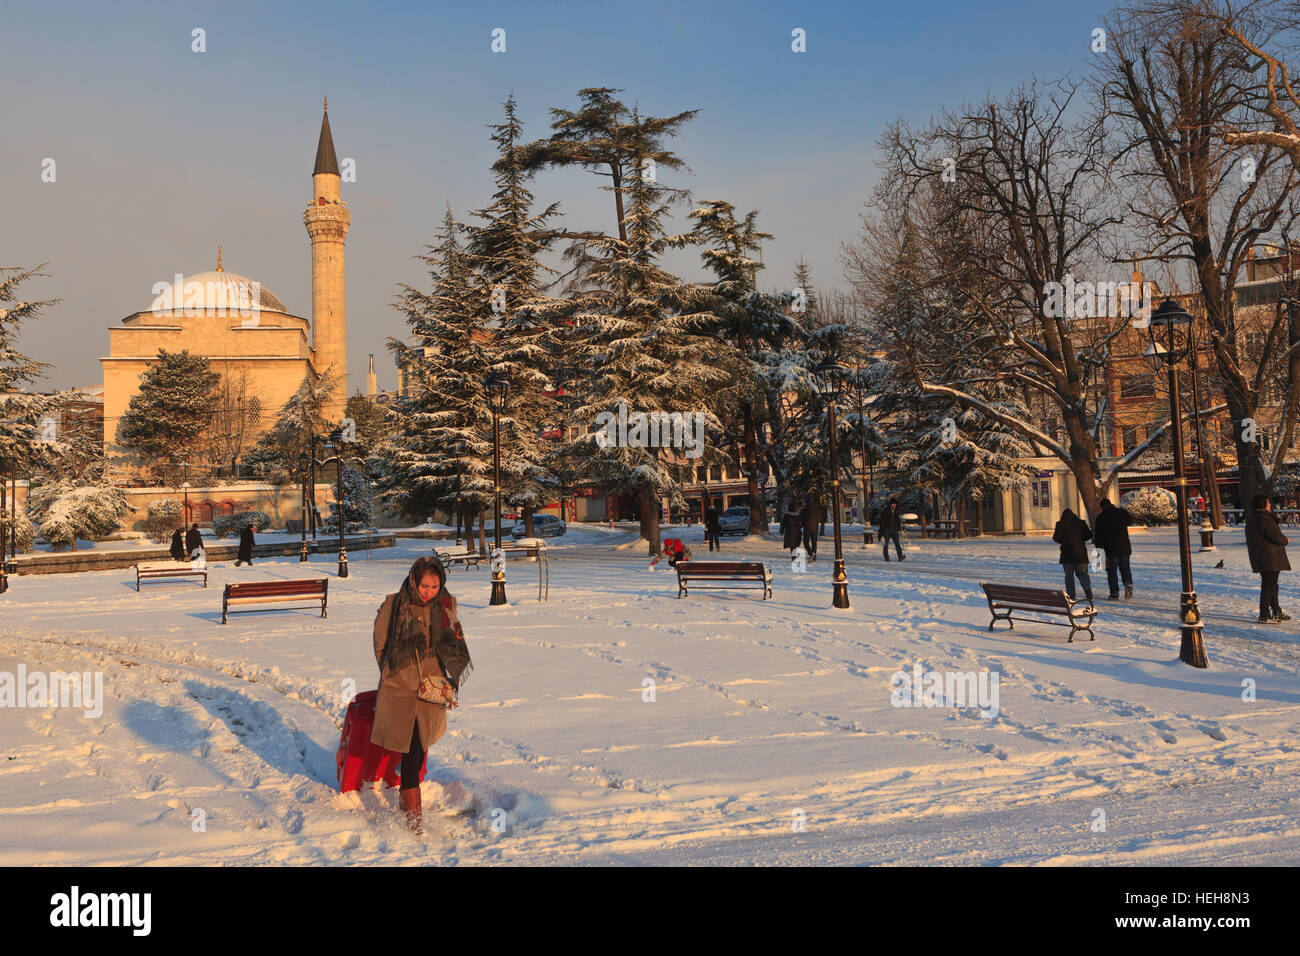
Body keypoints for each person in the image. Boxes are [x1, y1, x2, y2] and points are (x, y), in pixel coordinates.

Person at [372, 556, 472, 832]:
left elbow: (455, 639)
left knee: (418, 747)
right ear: (414, 580)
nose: (428, 591)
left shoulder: (446, 605)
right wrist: (392, 672)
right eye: (424, 585)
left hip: (431, 688)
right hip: (400, 689)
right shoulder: (394, 603)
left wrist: (448, 677)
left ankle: (408, 805)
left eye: (434, 586)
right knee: (410, 749)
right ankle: (414, 821)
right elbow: (380, 644)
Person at [1245, 494, 1291, 624]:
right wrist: (1285, 540)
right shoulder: (1265, 518)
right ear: (1264, 504)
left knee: (1271, 585)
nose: (1270, 504)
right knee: (1269, 586)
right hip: (1270, 557)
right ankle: (1264, 614)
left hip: (1261, 557)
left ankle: (1276, 612)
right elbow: (1276, 536)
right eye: (1268, 502)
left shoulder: (1252, 518)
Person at [1053, 507, 1095, 609]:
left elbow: (1056, 538)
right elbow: (1089, 535)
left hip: (1067, 555)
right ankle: (1087, 590)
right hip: (1080, 554)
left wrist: (1065, 540)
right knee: (1082, 574)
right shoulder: (1081, 523)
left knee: (1069, 577)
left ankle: (1071, 597)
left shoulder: (1060, 524)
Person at [1094, 499, 1134, 600]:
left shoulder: (1101, 517)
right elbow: (1130, 521)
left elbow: (1098, 536)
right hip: (1124, 547)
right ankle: (1128, 583)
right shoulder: (1122, 512)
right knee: (1125, 568)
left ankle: (1114, 592)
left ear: (1102, 507)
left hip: (1110, 550)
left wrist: (1098, 552)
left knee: (1112, 572)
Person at [802, 495, 823, 562]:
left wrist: (803, 524)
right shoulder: (816, 508)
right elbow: (820, 518)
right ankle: (814, 556)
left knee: (805, 542)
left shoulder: (805, 509)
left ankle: (811, 553)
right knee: (814, 543)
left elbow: (802, 519)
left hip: (807, 528)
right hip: (815, 528)